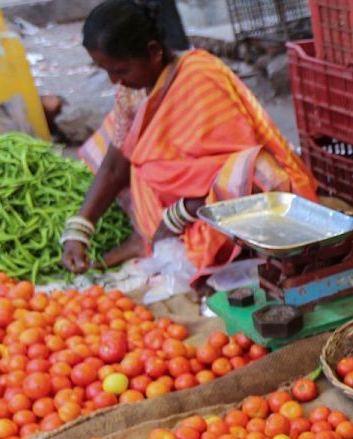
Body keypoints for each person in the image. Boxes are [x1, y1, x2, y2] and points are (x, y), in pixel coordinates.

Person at [61, 0, 315, 275]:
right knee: (115, 141)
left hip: (217, 198)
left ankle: (189, 243)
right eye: (107, 71)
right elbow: (113, 166)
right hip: (178, 194)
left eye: (121, 70)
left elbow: (240, 169)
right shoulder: (132, 92)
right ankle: (147, 236)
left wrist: (177, 215)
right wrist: (79, 230)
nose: (115, 81)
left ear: (154, 51)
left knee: (255, 175)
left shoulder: (200, 76)